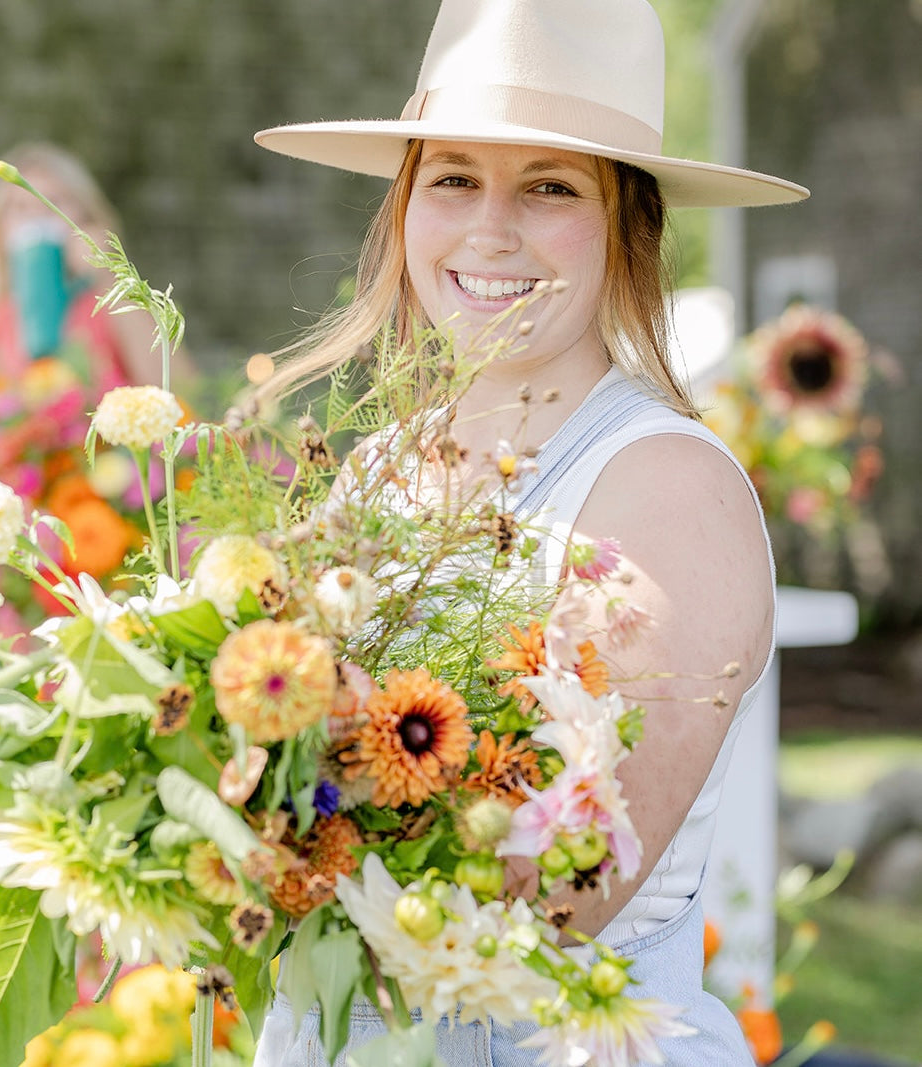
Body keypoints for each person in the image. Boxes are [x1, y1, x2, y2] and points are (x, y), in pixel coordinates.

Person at [246, 1, 808, 1063]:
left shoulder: (668, 489)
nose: (488, 228)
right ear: (406, 204)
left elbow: (558, 893)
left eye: (548, 187)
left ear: (626, 229)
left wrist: (274, 807)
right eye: (452, 176)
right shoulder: (369, 469)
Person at [0, 141, 189, 398]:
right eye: (20, 208)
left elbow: (183, 393)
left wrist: (108, 274)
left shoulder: (118, 316)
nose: (37, 218)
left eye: (53, 203)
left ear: (87, 219)